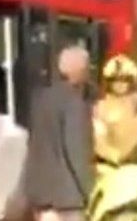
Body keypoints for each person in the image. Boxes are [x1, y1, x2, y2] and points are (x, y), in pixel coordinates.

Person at [23, 46, 93, 221]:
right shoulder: (74, 102)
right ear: (79, 71)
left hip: (40, 194)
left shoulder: (40, 99)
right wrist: (90, 190)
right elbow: (75, 151)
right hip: (67, 198)